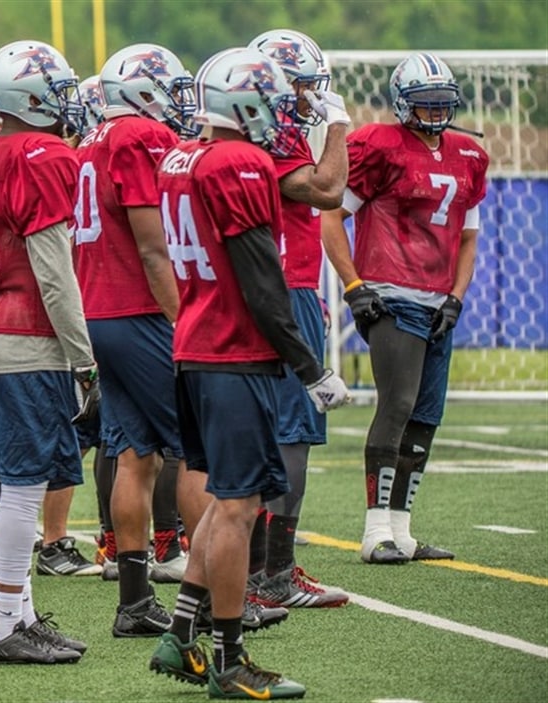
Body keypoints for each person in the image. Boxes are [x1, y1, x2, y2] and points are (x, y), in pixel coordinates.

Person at [147, 48, 350, 700]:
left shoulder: (183, 154)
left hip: (195, 343)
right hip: (233, 350)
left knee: (224, 497)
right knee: (238, 506)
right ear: (242, 104)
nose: (281, 112)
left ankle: (182, 632)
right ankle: (231, 660)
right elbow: (262, 280)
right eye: (268, 99)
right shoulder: (237, 161)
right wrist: (309, 366)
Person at [0, 39, 95, 665]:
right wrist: (83, 356)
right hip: (23, 336)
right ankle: (7, 623)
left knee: (18, 480)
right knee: (24, 485)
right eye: (57, 91)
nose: (68, 103)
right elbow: (54, 271)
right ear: (28, 99)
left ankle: (23, 612)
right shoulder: (41, 153)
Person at [321, 52, 488, 565]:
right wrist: (354, 286)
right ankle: (375, 532)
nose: (436, 112)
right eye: (425, 103)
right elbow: (330, 220)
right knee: (396, 405)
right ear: (402, 104)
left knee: (426, 417)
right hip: (391, 295)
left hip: (439, 299)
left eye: (442, 103)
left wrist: (457, 298)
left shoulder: (468, 153)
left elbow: (467, 237)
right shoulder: (379, 146)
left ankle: (404, 530)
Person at [73, 42, 195, 637]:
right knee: (198, 448)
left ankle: (134, 599)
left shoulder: (93, 139)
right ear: (143, 91)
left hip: (100, 310)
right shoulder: (140, 139)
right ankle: (216, 595)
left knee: (135, 456)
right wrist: (183, 317)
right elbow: (152, 244)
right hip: (140, 308)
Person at [247, 29, 350, 606]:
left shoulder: (241, 132)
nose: (311, 97)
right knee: (293, 433)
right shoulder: (273, 134)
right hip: (282, 291)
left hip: (278, 287)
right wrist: (337, 126)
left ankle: (261, 568)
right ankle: (273, 574)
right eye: (304, 87)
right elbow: (328, 190)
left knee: (264, 432)